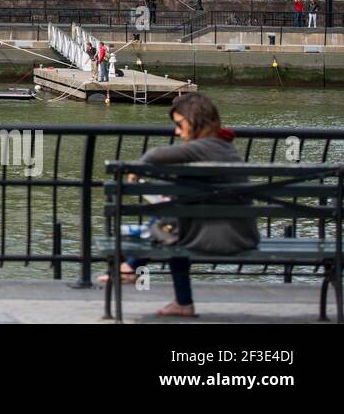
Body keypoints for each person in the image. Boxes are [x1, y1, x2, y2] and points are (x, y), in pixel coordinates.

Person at [100, 92, 260, 319]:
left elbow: (156, 154)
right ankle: (171, 295)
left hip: (224, 238)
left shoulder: (204, 147)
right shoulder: (223, 146)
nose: (176, 131)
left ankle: (132, 269)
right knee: (174, 220)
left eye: (179, 124)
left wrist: (137, 168)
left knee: (169, 228)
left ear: (194, 120)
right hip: (242, 234)